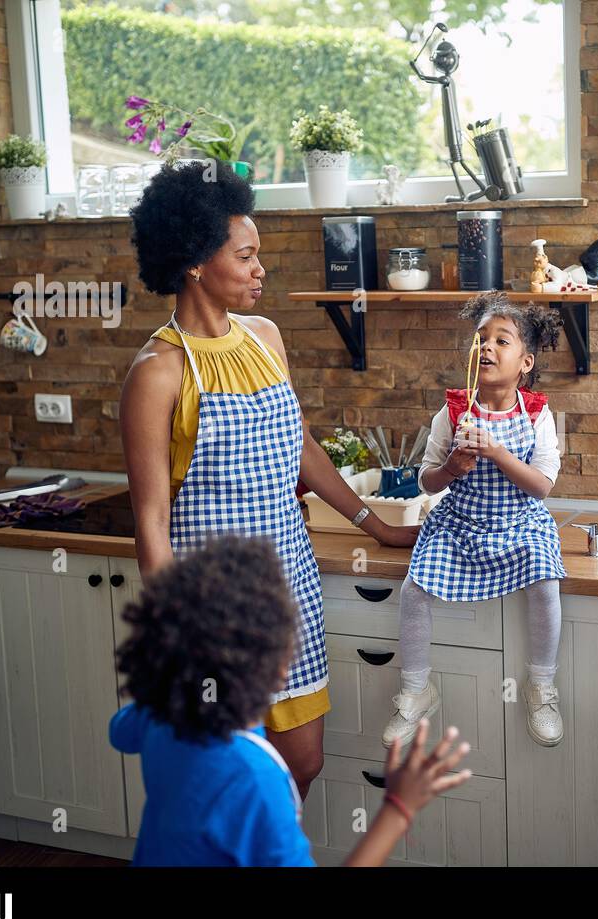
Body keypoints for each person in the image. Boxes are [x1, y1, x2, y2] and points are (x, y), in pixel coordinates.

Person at [120, 161, 418, 797]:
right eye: (247, 256)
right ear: (196, 261)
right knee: (228, 781)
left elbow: (300, 446)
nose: (261, 270)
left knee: (302, 763)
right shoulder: (158, 371)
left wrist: (377, 527)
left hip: (289, 585)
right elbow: (149, 520)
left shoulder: (264, 337)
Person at [110, 535, 471, 866]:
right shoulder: (257, 778)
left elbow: (119, 731)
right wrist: (398, 809)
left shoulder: (165, 715)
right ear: (280, 665)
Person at [382, 292, 569, 748]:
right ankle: (416, 689)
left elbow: (542, 486)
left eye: (501, 341)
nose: (486, 347)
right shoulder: (451, 411)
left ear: (525, 362)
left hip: (521, 523)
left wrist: (496, 452)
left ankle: (541, 686)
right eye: (480, 339)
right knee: (414, 590)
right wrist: (450, 470)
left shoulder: (538, 414)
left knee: (546, 582)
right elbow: (426, 482)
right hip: (460, 524)